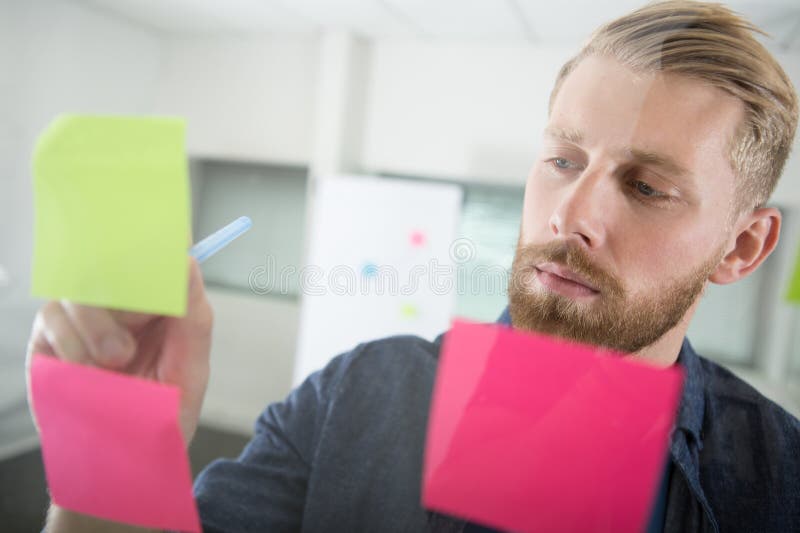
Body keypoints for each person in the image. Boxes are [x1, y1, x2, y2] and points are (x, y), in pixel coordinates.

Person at [26, 1, 799, 532]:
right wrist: (113, 455)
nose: (571, 216)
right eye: (563, 160)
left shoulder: (781, 479)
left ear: (742, 247)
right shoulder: (357, 397)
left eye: (647, 187)